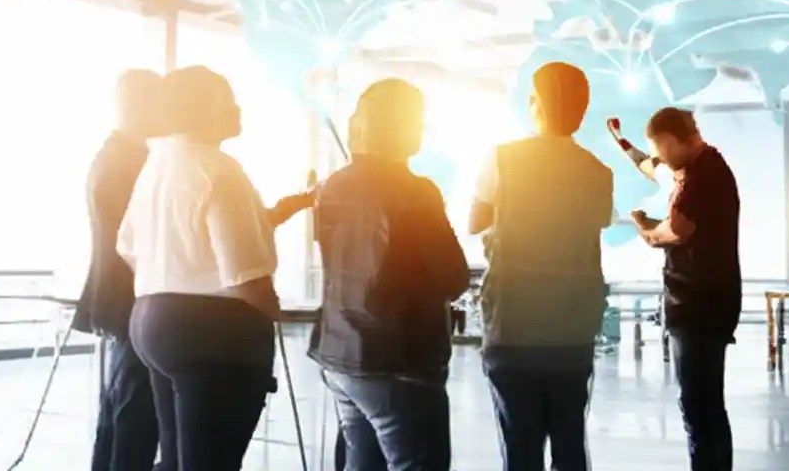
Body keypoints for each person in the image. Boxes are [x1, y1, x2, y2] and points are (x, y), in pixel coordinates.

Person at [118, 66, 314, 471]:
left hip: (152, 321)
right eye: (228, 100)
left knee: (175, 459)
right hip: (213, 335)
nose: (238, 109)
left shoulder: (158, 165)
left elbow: (127, 246)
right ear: (203, 109)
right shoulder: (220, 170)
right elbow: (244, 274)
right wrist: (275, 310)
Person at [313, 78, 469, 471]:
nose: (421, 131)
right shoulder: (414, 191)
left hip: (340, 351)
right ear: (399, 128)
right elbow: (453, 276)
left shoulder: (332, 187)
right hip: (401, 358)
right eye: (417, 121)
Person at [470, 62, 614, 471]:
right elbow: (593, 224)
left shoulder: (503, 159)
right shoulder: (598, 172)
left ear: (535, 104)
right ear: (582, 111)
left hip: (513, 326)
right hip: (572, 328)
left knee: (520, 446)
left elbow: (474, 222)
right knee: (569, 442)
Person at [631, 107, 740, 471]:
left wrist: (646, 230)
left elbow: (677, 229)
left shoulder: (700, 177)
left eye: (663, 145)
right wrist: (624, 145)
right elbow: (654, 167)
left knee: (698, 407)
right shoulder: (701, 166)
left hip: (697, 305)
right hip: (712, 302)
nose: (659, 154)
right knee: (710, 405)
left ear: (685, 140)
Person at [72, 69, 164, 471]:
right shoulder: (135, 161)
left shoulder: (110, 155)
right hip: (133, 296)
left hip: (117, 297)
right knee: (136, 411)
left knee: (119, 406)